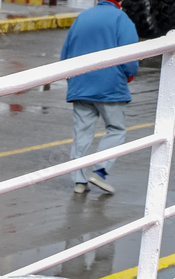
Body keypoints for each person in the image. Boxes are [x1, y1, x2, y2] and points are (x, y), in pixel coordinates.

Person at [60, 0, 138, 196]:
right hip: (110, 86)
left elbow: (65, 54)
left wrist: (71, 78)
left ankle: (79, 181)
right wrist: (127, 75)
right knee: (116, 129)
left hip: (80, 85)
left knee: (82, 133)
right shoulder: (122, 18)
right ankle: (100, 171)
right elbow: (130, 56)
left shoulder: (82, 17)